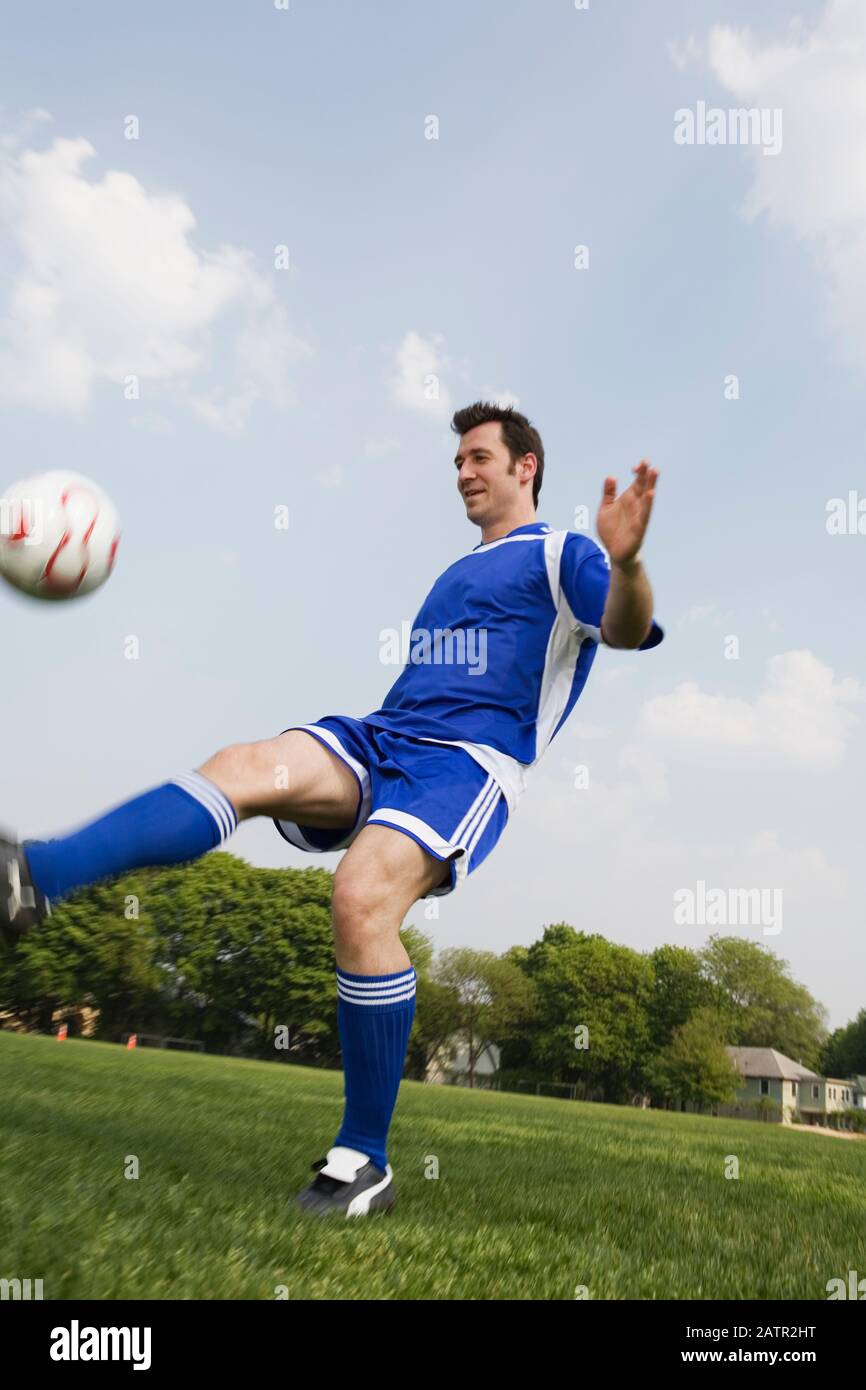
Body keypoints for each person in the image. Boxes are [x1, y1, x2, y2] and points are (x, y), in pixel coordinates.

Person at [1, 400, 663, 1218]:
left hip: (464, 767)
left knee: (360, 897)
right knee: (242, 766)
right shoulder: (454, 571)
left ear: (526, 467)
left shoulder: (564, 552)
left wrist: (627, 563)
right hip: (382, 737)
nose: (463, 472)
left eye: (480, 458)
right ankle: (36, 876)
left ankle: (364, 1160)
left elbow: (629, 631)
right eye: (457, 461)